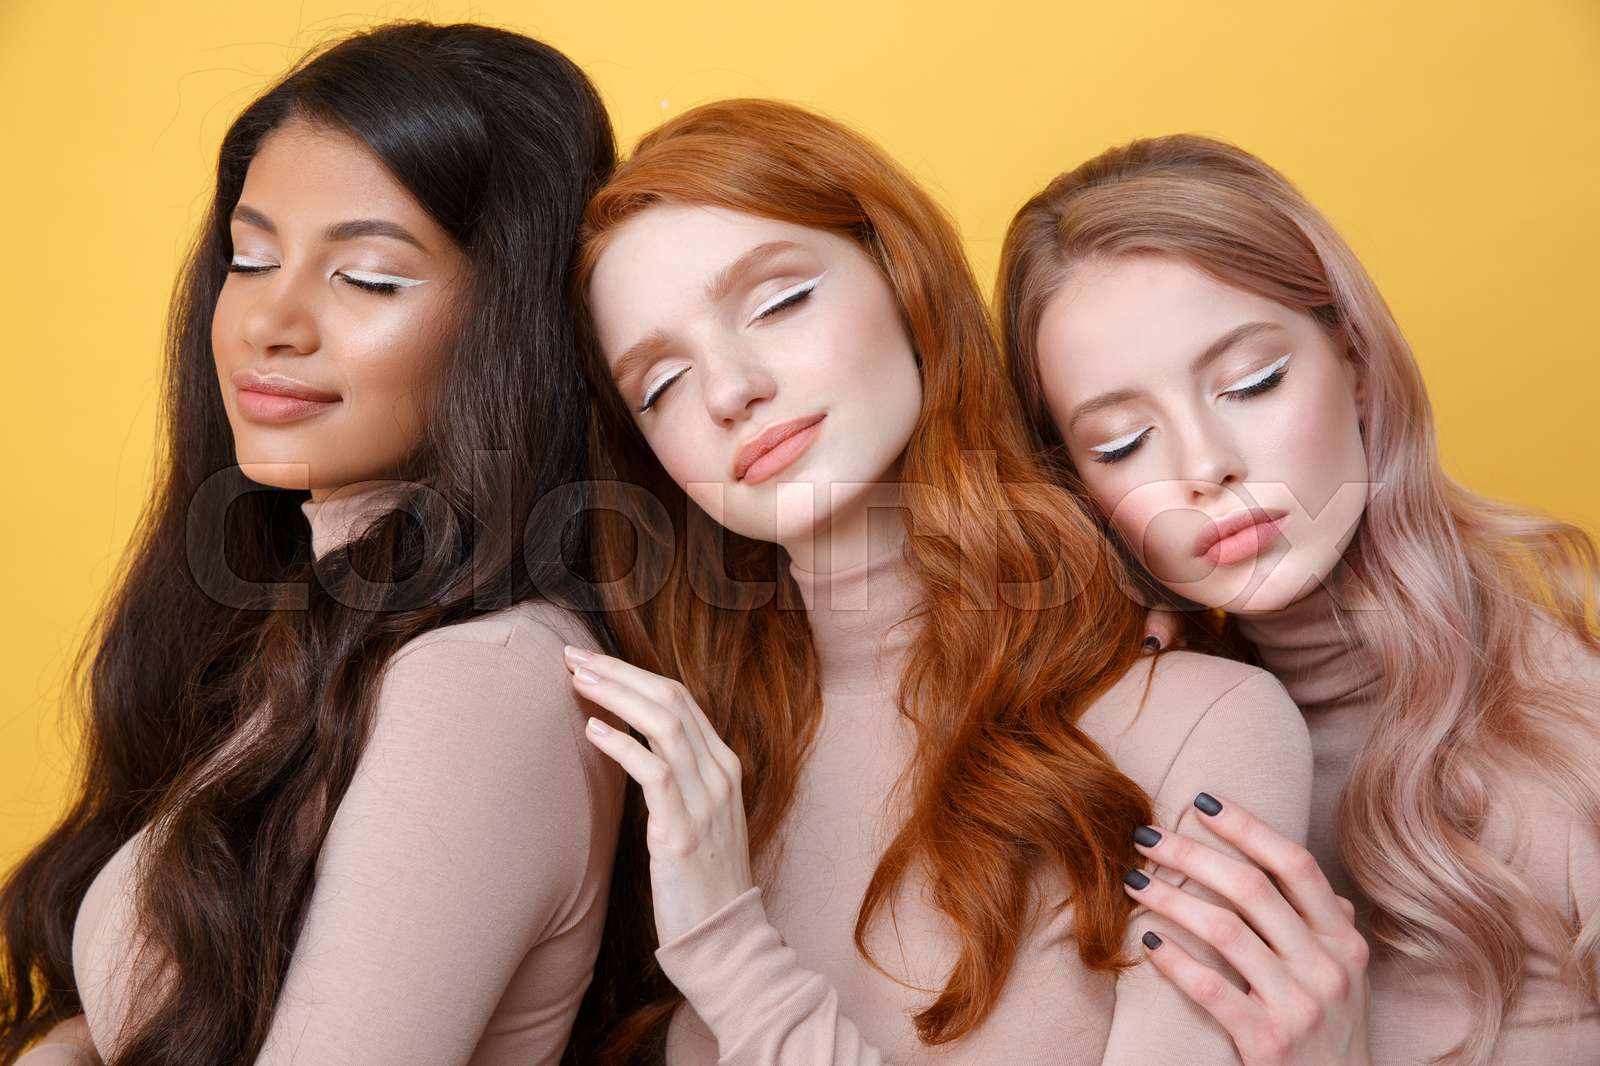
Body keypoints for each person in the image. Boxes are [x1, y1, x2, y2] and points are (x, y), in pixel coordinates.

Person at [565, 99, 1313, 1064]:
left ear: (906, 282)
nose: (728, 389)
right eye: (660, 384)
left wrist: (729, 954)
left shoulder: (1202, 725)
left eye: (778, 301)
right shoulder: (697, 775)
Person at [1, 22, 623, 1066]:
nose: (267, 322)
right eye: (250, 258)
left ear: (514, 326)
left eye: (369, 279)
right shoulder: (312, 629)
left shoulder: (486, 680)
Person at [997, 132, 1600, 1064]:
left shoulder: (1571, 736)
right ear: (1081, 495)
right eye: (1121, 444)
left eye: (1252, 382)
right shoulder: (1155, 745)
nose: (1205, 466)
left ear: (1355, 360)